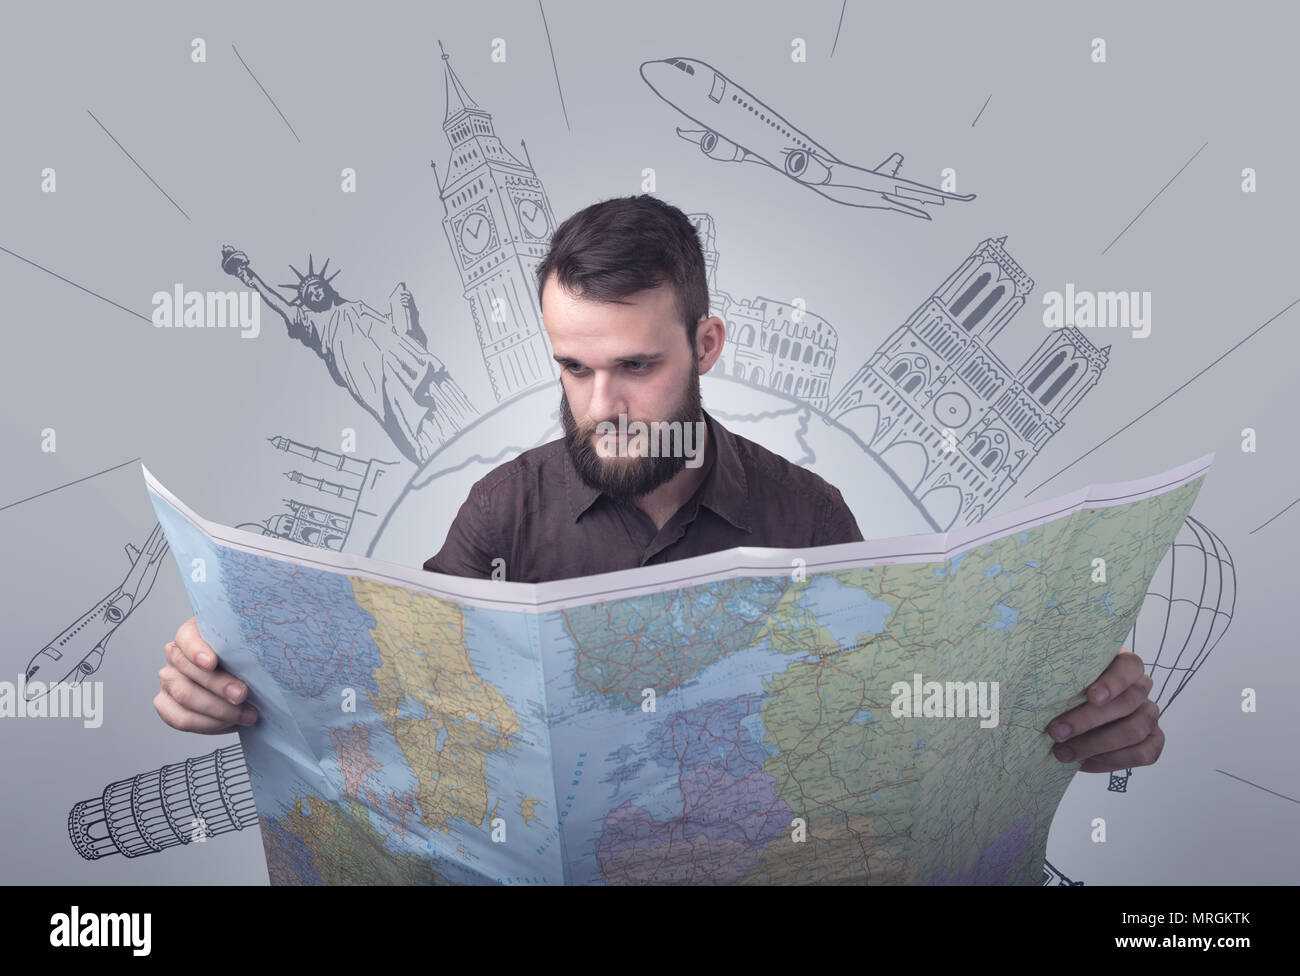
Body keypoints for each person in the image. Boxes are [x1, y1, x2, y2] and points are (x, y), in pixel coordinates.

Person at [156, 195, 1163, 780]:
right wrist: (233, 677)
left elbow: (889, 715)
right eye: (572, 368)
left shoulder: (806, 516)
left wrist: (1071, 700)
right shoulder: (501, 511)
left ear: (706, 345)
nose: (601, 405)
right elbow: (390, 697)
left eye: (636, 367)